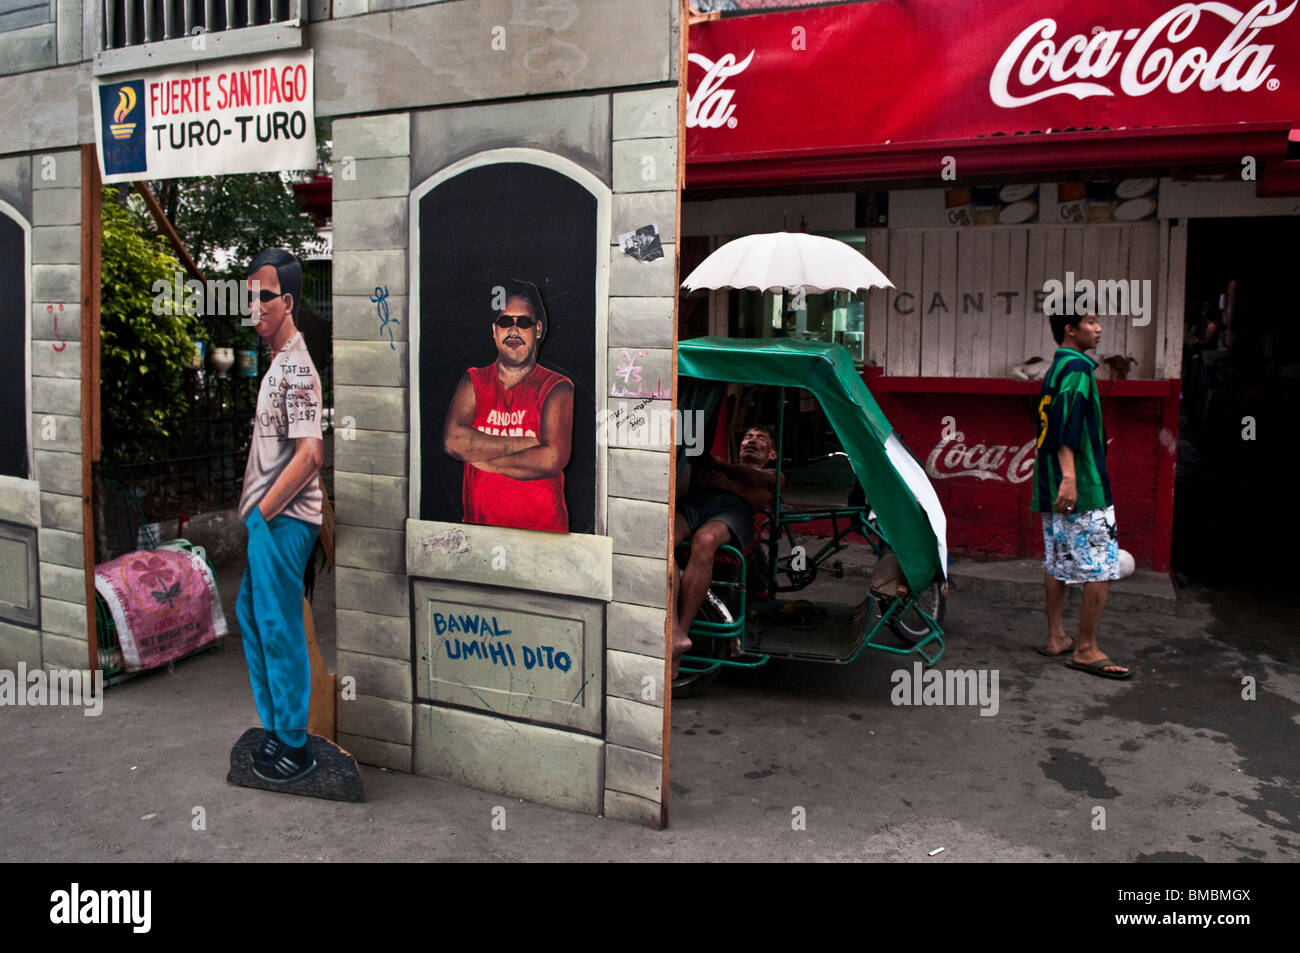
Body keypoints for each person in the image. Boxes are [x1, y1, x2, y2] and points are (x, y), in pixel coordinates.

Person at [236, 249, 326, 781]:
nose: (255, 307)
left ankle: (292, 742)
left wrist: (262, 514)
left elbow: (311, 454)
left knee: (277, 623)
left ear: (288, 301)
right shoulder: (277, 364)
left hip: (283, 520)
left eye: (264, 296)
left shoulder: (295, 368)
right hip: (269, 520)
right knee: (254, 616)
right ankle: (275, 731)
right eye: (249, 297)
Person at [1032, 310, 1131, 679]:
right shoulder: (1078, 370)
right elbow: (1065, 426)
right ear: (1070, 330)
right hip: (1080, 485)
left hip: (1048, 480)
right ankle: (1086, 649)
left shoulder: (1056, 368)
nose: (1099, 328)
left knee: (1057, 560)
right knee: (1102, 566)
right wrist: (1071, 477)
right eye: (1091, 322)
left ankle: (1057, 636)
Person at [442, 280, 575, 533]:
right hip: (479, 531)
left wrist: (484, 460)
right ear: (494, 331)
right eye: (505, 322)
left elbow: (551, 458)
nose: (513, 331)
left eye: (523, 322)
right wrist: (524, 445)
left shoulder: (557, 386)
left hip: (543, 535)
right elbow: (452, 441)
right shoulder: (473, 380)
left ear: (537, 330)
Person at [672, 426, 783, 678]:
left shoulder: (773, 476)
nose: (752, 441)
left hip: (732, 513)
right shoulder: (718, 470)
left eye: (760, 438)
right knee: (661, 541)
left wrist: (720, 470)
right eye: (748, 437)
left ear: (772, 455)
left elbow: (753, 480)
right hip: (697, 507)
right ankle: (674, 630)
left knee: (706, 540)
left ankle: (683, 631)